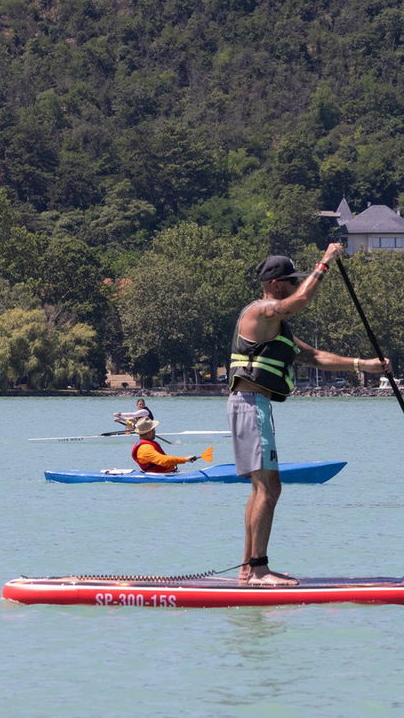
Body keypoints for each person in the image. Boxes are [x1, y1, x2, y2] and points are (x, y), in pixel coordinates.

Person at [229, 244, 388, 585]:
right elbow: (300, 302)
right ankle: (258, 570)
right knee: (269, 488)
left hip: (256, 406)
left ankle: (248, 567)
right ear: (274, 284)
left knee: (261, 489)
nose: (293, 287)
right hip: (249, 405)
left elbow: (314, 356)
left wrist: (365, 365)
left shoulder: (277, 329)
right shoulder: (261, 311)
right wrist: (325, 263)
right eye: (289, 281)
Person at [131, 418, 199, 474]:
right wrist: (185, 459)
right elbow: (162, 460)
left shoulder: (146, 445)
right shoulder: (145, 448)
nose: (155, 431)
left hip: (165, 473)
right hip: (158, 478)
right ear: (149, 432)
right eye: (154, 430)